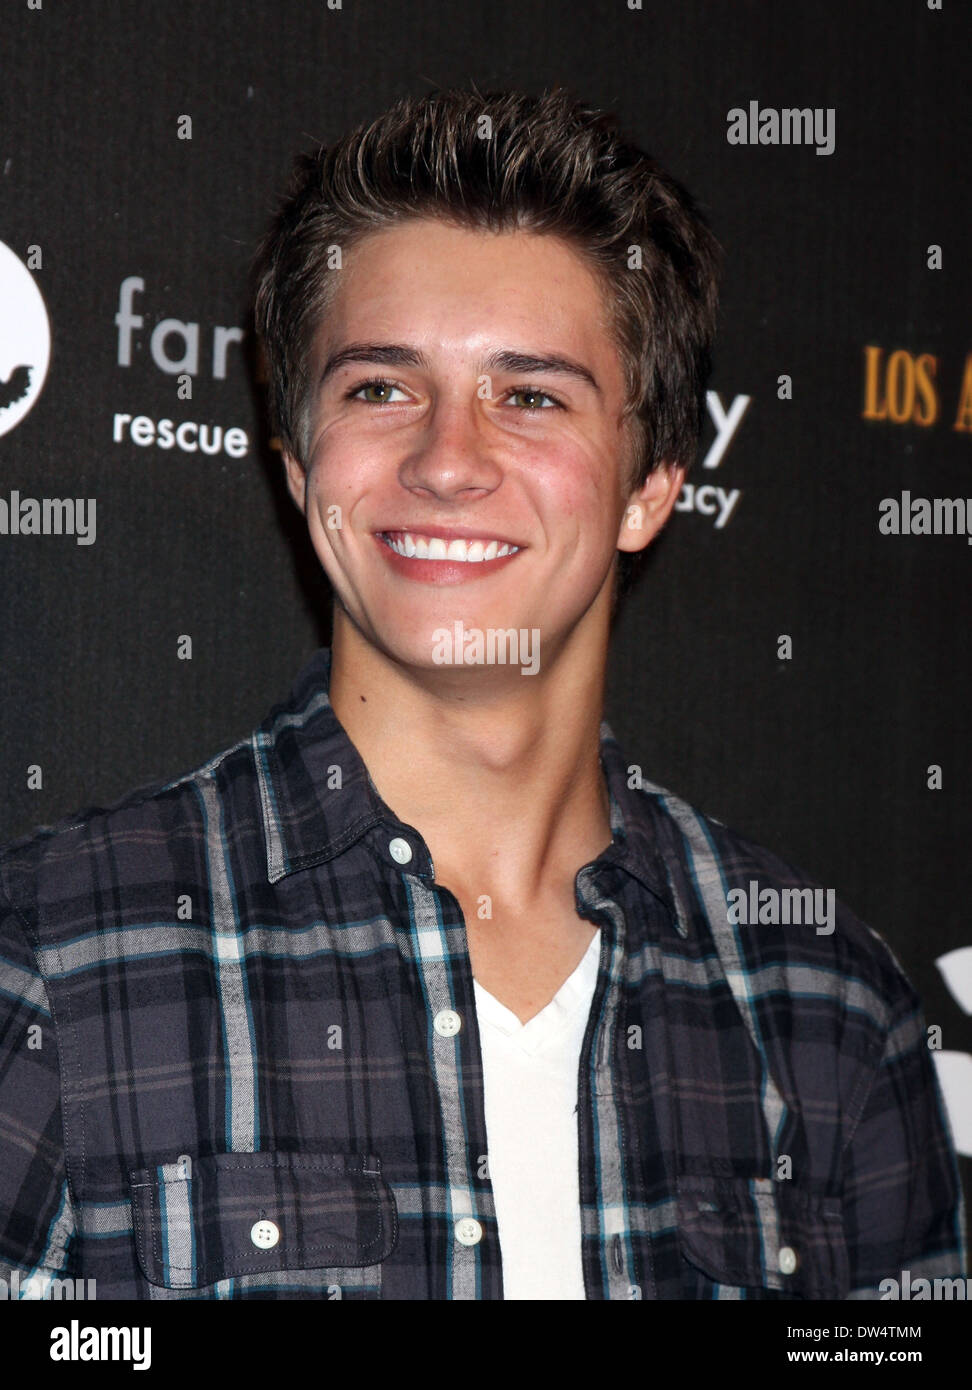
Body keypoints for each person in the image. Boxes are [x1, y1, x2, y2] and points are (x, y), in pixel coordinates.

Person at [0, 86, 964, 1301]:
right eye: (379, 387)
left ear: (653, 485)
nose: (448, 459)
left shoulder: (823, 1003)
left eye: (532, 395)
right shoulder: (55, 959)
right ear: (299, 466)